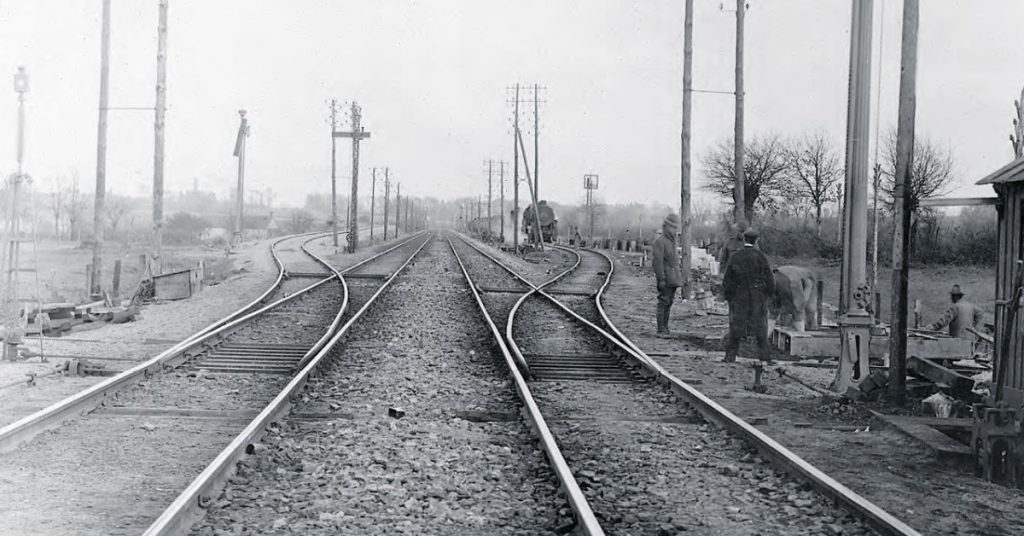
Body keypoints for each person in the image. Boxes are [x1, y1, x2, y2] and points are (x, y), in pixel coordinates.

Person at [722, 228, 774, 363]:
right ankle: (765, 357)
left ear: (744, 240)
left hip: (739, 299)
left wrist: (728, 296)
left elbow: (727, 279)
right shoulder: (761, 257)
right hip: (758, 299)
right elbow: (769, 279)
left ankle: (730, 357)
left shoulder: (735, 257)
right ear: (756, 240)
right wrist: (768, 294)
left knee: (736, 328)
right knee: (761, 329)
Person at [652, 214, 682, 336]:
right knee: (663, 302)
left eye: (675, 228)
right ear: (666, 227)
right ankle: (661, 329)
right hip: (666, 278)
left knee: (669, 302)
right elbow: (657, 262)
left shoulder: (672, 241)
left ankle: (665, 328)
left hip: (673, 278)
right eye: (672, 227)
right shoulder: (660, 242)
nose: (674, 230)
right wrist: (661, 279)